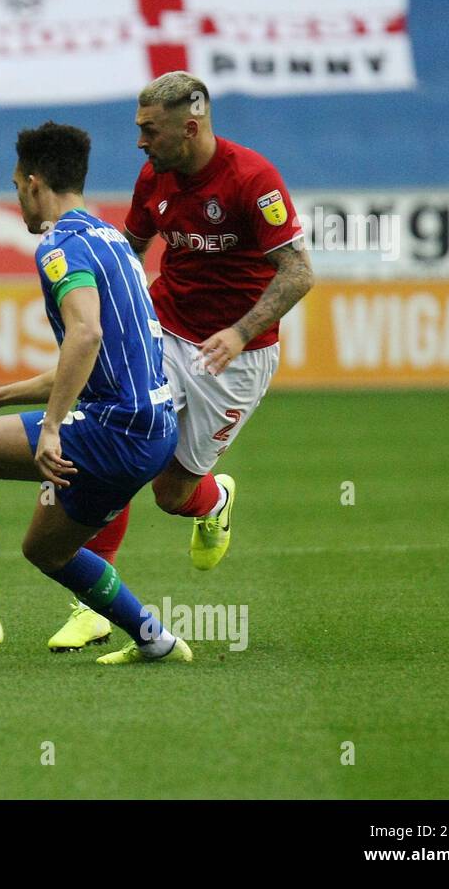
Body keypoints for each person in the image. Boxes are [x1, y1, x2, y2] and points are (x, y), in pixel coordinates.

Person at [0, 121, 191, 667]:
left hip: (115, 429)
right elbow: (84, 364)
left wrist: (53, 428)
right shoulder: (113, 241)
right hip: (151, 433)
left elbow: (85, 335)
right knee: (46, 549)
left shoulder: (59, 246)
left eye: (17, 187)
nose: (18, 198)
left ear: (35, 184)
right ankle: (155, 638)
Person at [48, 71, 315, 653]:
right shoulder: (155, 177)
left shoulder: (253, 180)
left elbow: (299, 272)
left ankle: (214, 500)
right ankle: (91, 608)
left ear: (189, 127)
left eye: (149, 130)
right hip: (163, 331)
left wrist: (242, 331)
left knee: (170, 494)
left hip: (236, 356)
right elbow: (132, 248)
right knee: (116, 450)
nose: (140, 142)